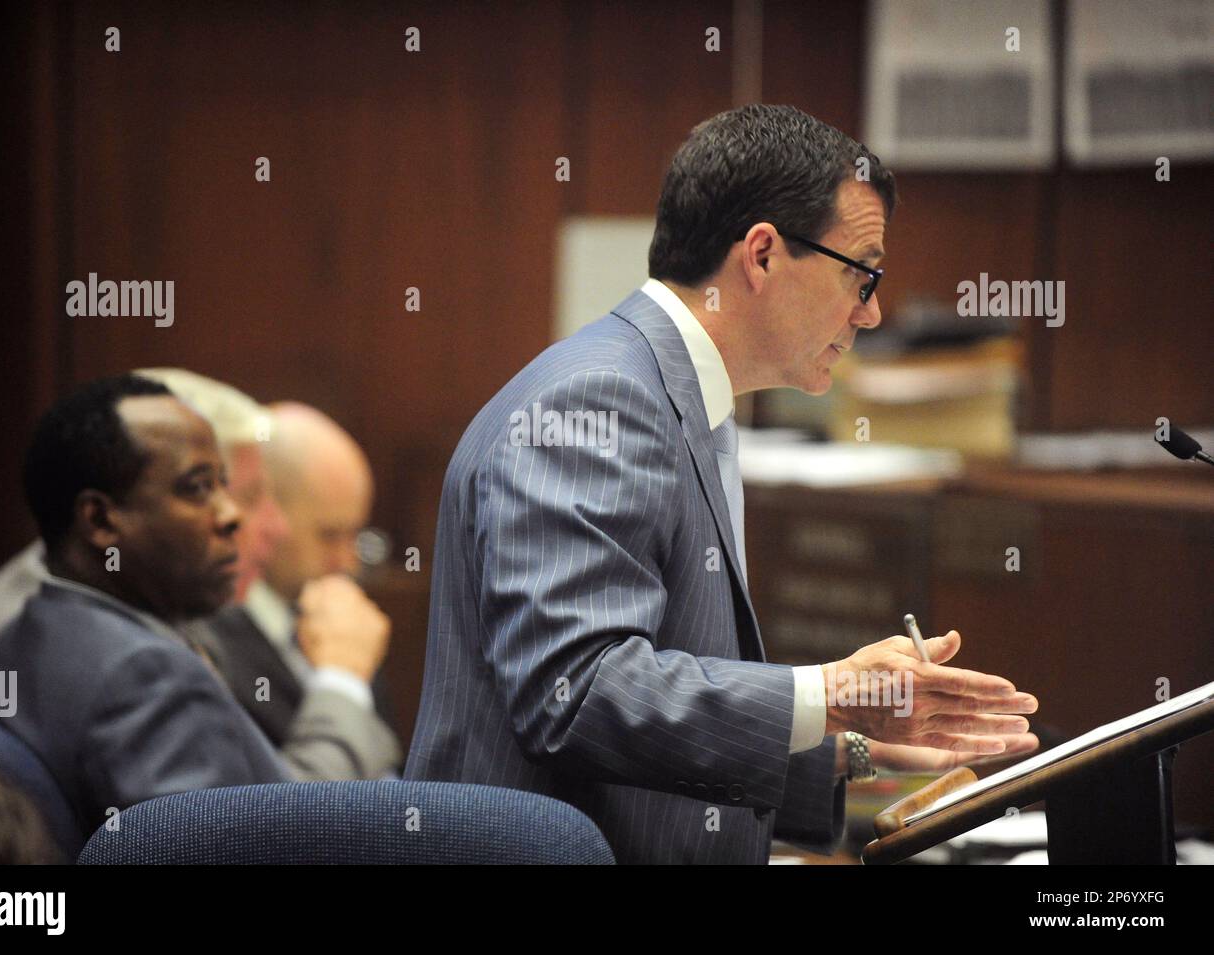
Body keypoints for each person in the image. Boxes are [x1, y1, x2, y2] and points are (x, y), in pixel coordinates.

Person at [405, 104, 1039, 864]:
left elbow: (650, 718)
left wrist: (853, 744)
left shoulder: (690, 404)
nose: (870, 313)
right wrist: (827, 692)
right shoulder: (598, 400)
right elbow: (577, 692)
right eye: (860, 273)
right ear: (764, 255)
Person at [0, 374, 288, 834]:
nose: (231, 515)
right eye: (197, 487)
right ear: (101, 520)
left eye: (224, 485)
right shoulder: (148, 678)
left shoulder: (25, 632)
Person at [207, 400, 400, 776]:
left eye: (355, 535)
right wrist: (342, 678)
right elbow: (278, 815)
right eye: (330, 535)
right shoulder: (203, 633)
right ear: (268, 508)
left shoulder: (338, 617)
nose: (349, 562)